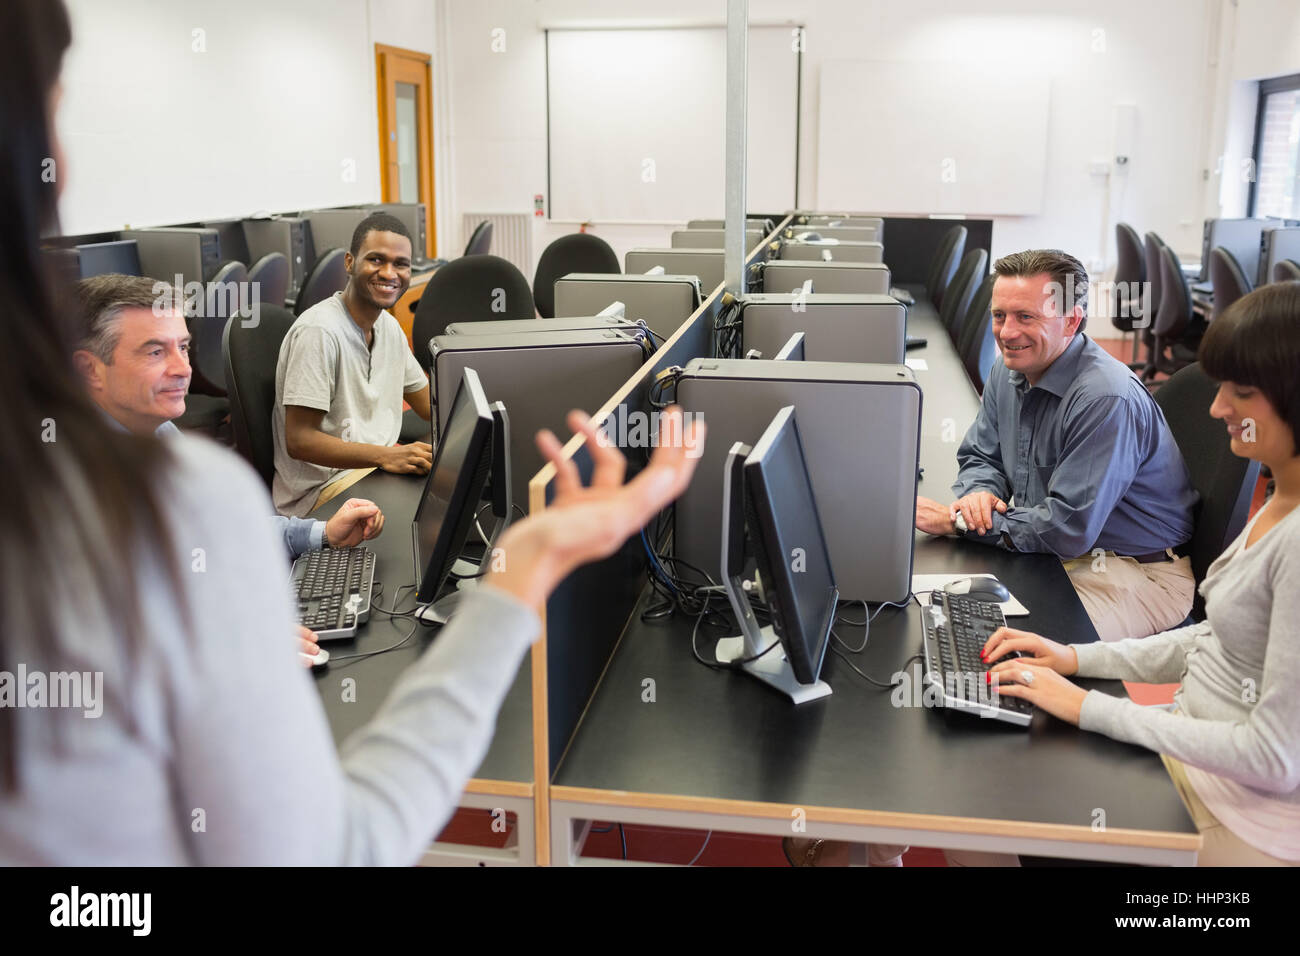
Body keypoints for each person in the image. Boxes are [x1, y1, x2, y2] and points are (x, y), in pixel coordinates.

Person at [0, 0, 704, 864]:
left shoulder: (151, 480)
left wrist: (304, 535)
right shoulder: (164, 501)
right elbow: (343, 846)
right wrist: (525, 570)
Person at [984, 282, 1300, 866]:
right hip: (1194, 763)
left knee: (1003, 800)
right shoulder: (1280, 501)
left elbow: (1273, 759)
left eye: (1243, 392)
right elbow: (1213, 638)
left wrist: (1090, 708)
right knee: (991, 801)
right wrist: (1075, 659)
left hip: (1236, 827)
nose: (1217, 408)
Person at [71, 273, 385, 664]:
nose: (182, 368)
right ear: (89, 370)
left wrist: (322, 533)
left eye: (183, 348)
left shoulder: (158, 432)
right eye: (155, 352)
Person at [915, 249, 1198, 643]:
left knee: (1008, 647)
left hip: (1134, 573)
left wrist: (958, 521)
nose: (1007, 333)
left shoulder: (1104, 398)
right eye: (1000, 316)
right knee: (940, 614)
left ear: (1071, 321)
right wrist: (979, 495)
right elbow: (982, 454)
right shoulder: (1009, 368)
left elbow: (1067, 528)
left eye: (1026, 317)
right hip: (1061, 554)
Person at [272, 212, 434, 517]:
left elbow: (429, 406)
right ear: (350, 263)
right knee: (426, 521)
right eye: (376, 260)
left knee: (448, 496)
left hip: (370, 470)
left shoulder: (388, 327)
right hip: (321, 494)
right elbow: (299, 440)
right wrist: (386, 456)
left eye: (400, 264)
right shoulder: (319, 332)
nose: (389, 273)